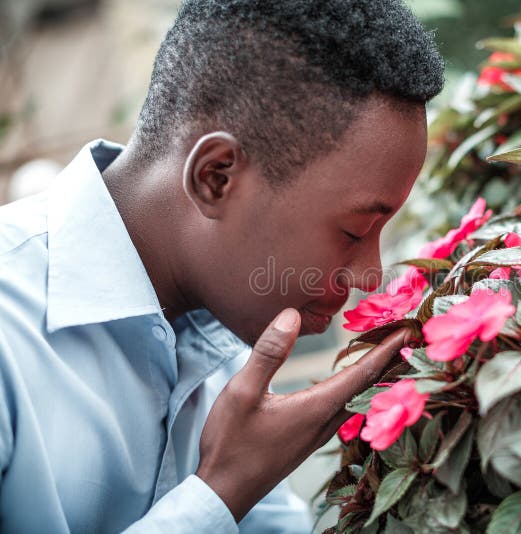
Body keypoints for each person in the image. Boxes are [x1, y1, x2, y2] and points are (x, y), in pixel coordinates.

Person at [0, 0, 444, 532]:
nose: (370, 274)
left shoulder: (229, 329)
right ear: (216, 177)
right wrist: (224, 490)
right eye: (352, 231)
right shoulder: (11, 332)